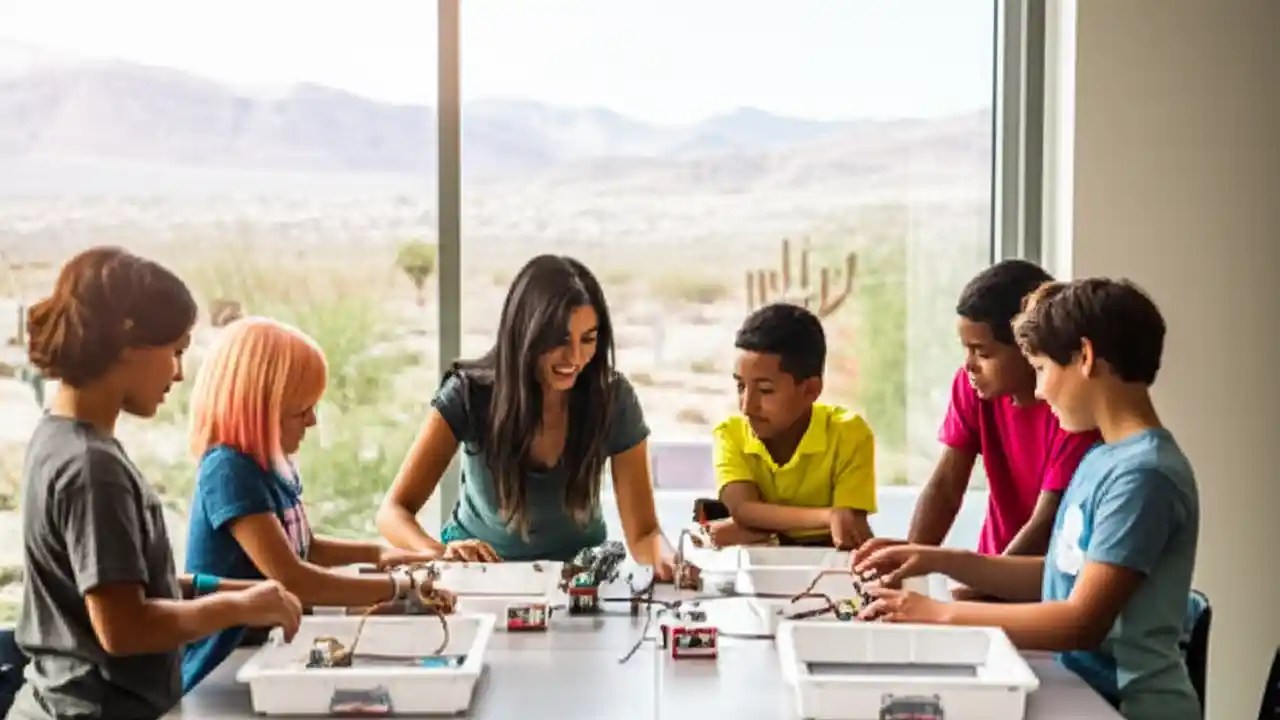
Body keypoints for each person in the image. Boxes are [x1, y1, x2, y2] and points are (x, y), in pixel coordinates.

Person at [855, 278, 1200, 720]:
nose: (1037, 392)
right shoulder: (1102, 458)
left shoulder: (1144, 475)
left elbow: (1080, 621)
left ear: (1086, 358)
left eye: (1040, 369)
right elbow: (1060, 575)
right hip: (1077, 690)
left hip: (1125, 707)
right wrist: (936, 558)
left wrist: (937, 613)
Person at [9, 247, 302, 720]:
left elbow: (128, 590)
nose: (179, 373)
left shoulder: (58, 438)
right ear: (128, 339)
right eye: (176, 351)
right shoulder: (91, 467)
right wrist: (238, 607)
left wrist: (244, 593)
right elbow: (124, 627)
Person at [180, 316, 444, 692]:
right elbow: (292, 576)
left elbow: (306, 547)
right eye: (301, 411)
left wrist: (378, 553)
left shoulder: (270, 464)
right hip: (227, 664)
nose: (313, 421)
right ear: (259, 411)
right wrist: (397, 587)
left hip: (272, 649)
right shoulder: (228, 470)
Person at [376, 255, 682, 577]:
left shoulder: (613, 399)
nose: (576, 357)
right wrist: (437, 554)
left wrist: (670, 560)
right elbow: (393, 511)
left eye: (588, 339)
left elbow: (645, 534)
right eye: (560, 340)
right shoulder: (468, 394)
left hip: (579, 581)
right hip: (479, 577)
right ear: (526, 332)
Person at [857, 260, 1100, 572]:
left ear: (1029, 346)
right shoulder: (973, 386)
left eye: (983, 353)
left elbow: (1047, 521)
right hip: (993, 567)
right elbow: (946, 485)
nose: (969, 365)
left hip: (1046, 579)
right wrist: (909, 563)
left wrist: (982, 588)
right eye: (966, 349)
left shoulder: (1070, 410)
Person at [701, 303, 876, 549]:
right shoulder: (730, 433)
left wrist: (760, 531)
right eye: (741, 387)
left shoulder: (849, 433)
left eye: (765, 390)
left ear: (811, 390)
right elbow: (743, 510)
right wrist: (828, 516)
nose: (747, 406)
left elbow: (847, 527)